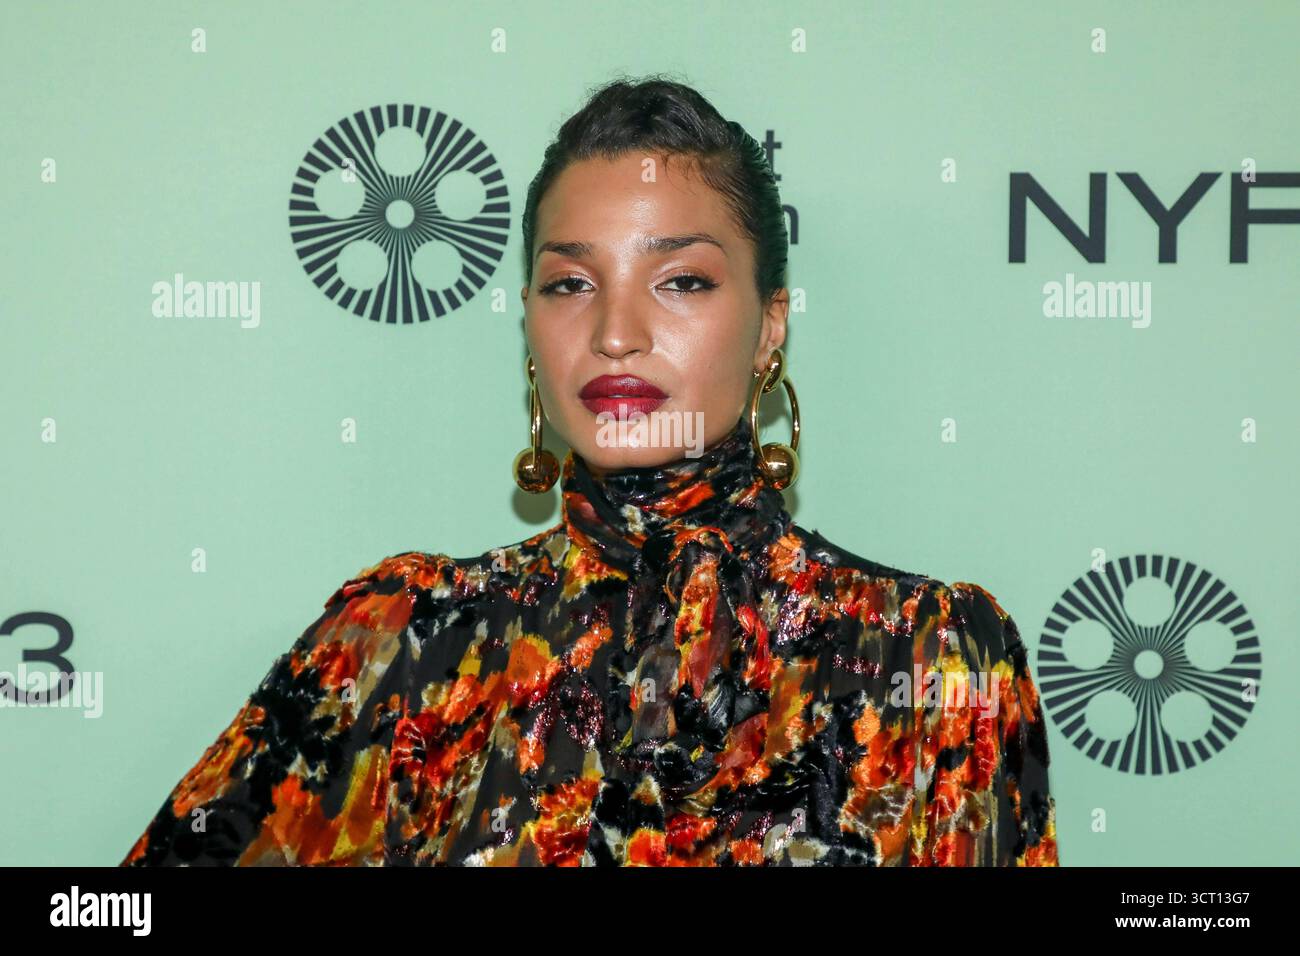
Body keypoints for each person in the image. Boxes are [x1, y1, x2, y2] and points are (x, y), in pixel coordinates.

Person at [121, 74, 1059, 867]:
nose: (614, 333)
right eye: (570, 283)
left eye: (681, 280)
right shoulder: (413, 643)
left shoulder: (937, 656)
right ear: (528, 325)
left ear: (771, 324)